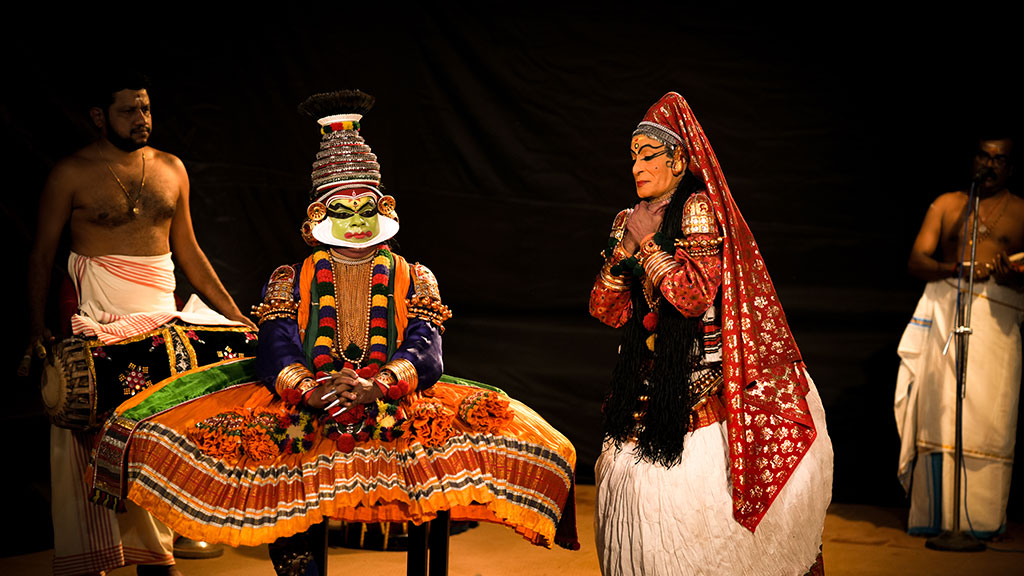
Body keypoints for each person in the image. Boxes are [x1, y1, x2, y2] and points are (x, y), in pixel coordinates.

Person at [85, 90, 578, 576]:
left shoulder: (415, 275)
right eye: (342, 211)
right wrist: (310, 388)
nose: (358, 222)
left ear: (386, 209)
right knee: (275, 486)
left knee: (527, 444)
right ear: (316, 217)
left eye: (367, 208)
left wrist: (377, 384)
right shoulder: (289, 278)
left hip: (392, 398)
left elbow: (427, 350)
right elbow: (275, 348)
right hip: (307, 402)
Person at [590, 92, 833, 575]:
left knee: (700, 522)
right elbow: (606, 310)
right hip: (646, 383)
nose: (637, 166)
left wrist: (645, 250)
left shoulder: (697, 210)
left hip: (700, 383)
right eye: (633, 157)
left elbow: (693, 296)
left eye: (648, 155)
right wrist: (623, 253)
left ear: (679, 159)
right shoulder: (627, 220)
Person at [26, 73, 254, 576]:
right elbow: (43, 253)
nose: (142, 119)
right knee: (90, 435)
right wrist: (35, 325)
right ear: (99, 117)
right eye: (129, 110)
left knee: (157, 438)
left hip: (160, 319)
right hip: (98, 318)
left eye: (146, 108)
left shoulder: (172, 168)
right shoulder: (71, 173)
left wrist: (232, 313)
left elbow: (189, 251)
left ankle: (158, 558)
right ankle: (94, 560)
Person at [895, 136, 1024, 537]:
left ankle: (981, 523)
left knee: (988, 417)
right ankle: (937, 519)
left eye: (999, 160)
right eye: (984, 157)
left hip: (996, 324)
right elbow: (917, 260)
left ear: (1011, 167)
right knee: (942, 412)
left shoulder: (1021, 211)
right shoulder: (950, 204)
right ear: (973, 160)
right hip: (946, 313)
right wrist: (957, 268)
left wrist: (1013, 275)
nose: (990, 165)